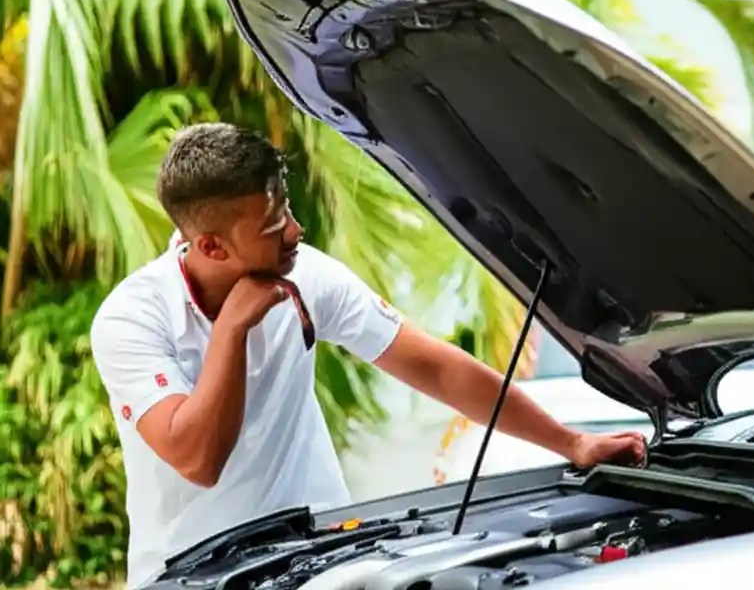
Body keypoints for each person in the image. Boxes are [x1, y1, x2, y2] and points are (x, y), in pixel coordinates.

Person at [89, 123, 646, 588]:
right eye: (271, 225)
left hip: (315, 562)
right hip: (195, 575)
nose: (295, 231)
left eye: (286, 209)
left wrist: (571, 441)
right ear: (211, 246)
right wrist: (234, 327)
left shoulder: (307, 274)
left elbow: (436, 368)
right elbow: (197, 458)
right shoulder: (131, 320)